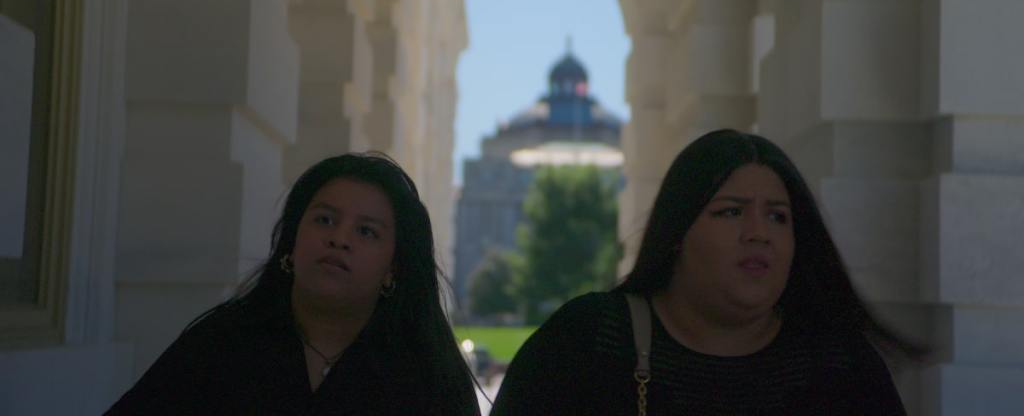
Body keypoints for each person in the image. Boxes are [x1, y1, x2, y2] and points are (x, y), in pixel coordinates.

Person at [492, 129, 923, 415]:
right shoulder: (586, 344)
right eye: (731, 212)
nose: (759, 233)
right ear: (678, 232)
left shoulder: (839, 366)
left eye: (778, 217)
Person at [107, 152, 479, 415]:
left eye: (366, 231)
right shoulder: (220, 345)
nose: (339, 239)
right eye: (324, 220)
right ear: (292, 242)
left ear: (393, 268)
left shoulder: (430, 378)